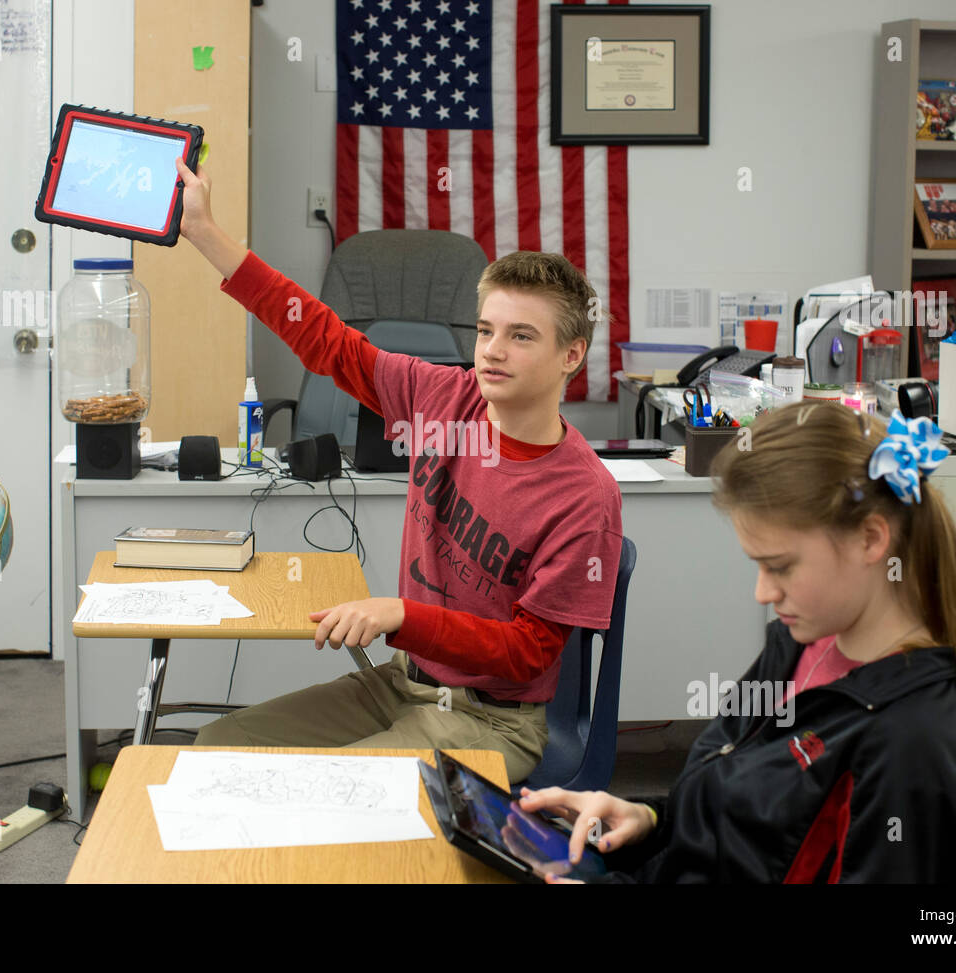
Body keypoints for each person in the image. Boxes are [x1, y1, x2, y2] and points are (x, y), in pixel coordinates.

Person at [173, 157, 623, 783]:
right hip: (401, 683)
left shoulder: (584, 494)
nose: (492, 350)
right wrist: (203, 233)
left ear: (572, 353)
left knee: (327, 795)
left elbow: (528, 654)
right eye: (487, 329)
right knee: (216, 748)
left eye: (521, 336)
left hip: (493, 720)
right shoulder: (444, 395)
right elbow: (322, 336)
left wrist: (405, 617)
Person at [521, 402, 956, 882]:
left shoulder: (908, 747)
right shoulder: (798, 643)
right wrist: (649, 822)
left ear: (871, 539)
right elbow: (747, 826)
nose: (763, 593)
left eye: (781, 566)